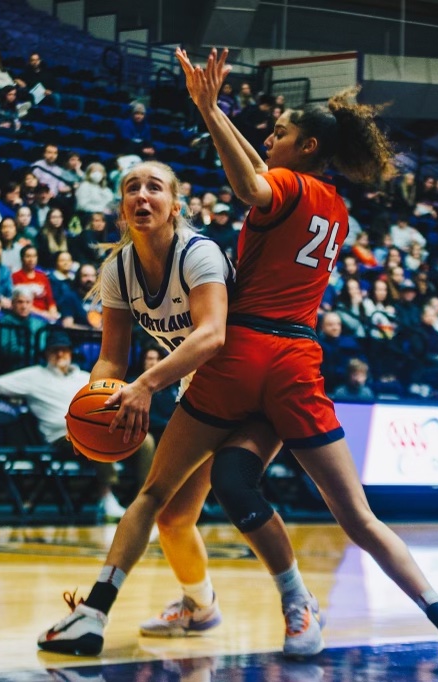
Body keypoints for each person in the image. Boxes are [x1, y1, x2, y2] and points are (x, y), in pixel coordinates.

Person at [38, 48, 438, 677]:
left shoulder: (278, 193)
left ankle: (102, 610)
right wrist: (213, 113)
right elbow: (261, 175)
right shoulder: (335, 206)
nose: (268, 139)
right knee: (330, 508)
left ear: (308, 145)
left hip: (239, 352)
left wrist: (212, 113)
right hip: (293, 358)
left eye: (280, 133)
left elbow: (251, 184)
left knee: (159, 492)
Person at [39, 159, 325, 652]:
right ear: (122, 206)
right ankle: (199, 607)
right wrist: (92, 410)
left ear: (175, 204)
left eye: (154, 187)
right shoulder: (119, 269)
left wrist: (146, 386)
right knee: (170, 517)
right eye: (132, 188)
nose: (142, 196)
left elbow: (212, 335)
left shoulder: (199, 253)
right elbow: (110, 358)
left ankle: (298, 602)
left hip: (253, 382)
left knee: (214, 491)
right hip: (202, 389)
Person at [0, 330, 150, 519]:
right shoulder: (33, 376)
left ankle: (144, 500)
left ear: (71, 353)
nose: (60, 354)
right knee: (93, 436)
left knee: (145, 440)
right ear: (46, 354)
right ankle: (106, 497)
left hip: (94, 429)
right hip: (61, 436)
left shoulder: (85, 377)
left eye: (64, 350)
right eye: (55, 350)